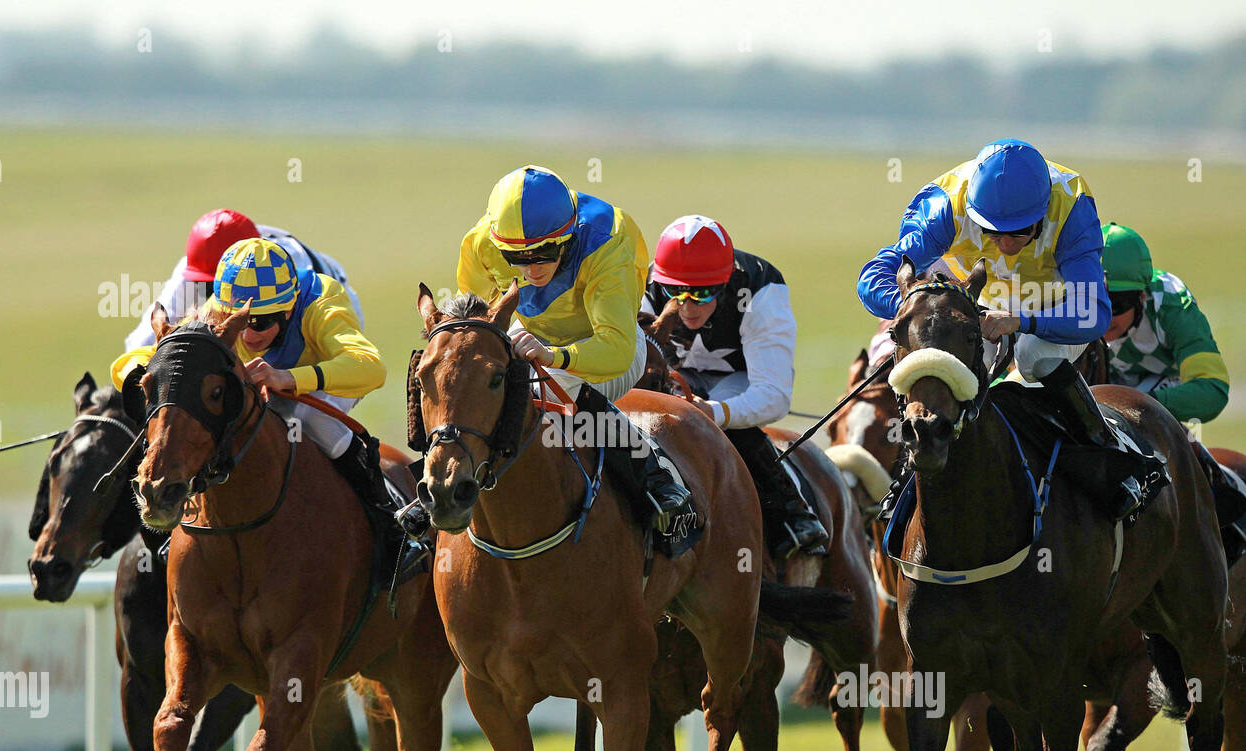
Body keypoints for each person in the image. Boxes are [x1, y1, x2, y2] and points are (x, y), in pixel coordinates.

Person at [858, 137, 1155, 522]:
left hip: (1053, 308)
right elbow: (872, 276)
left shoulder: (1072, 205)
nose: (1003, 242)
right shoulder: (943, 205)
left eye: (1017, 233)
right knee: (944, 357)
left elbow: (1092, 315)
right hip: (976, 307)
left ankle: (1112, 459)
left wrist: (1022, 322)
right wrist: (918, 313)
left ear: (1043, 213)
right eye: (991, 231)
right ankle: (909, 477)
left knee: (1034, 356)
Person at [111, 237, 419, 569]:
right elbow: (129, 361)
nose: (247, 335)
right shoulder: (220, 310)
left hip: (329, 379)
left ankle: (389, 525)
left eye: (260, 322)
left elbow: (371, 367)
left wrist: (290, 379)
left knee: (308, 419)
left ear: (289, 309)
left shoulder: (321, 300)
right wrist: (147, 373)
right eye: (239, 320)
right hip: (264, 387)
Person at [448, 164, 694, 536]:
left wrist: (554, 357)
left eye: (545, 253)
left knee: (544, 385)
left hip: (612, 350)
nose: (531, 270)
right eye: (517, 258)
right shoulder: (481, 242)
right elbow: (483, 316)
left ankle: (656, 477)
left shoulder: (607, 242)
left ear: (567, 236)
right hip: (533, 334)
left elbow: (616, 347)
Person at [641, 214, 829, 557]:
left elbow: (773, 397)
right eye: (676, 293)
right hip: (668, 374)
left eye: (701, 293)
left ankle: (792, 512)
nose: (687, 306)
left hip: (738, 380)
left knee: (724, 425)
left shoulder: (760, 286)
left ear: (725, 282)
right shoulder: (645, 283)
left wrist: (711, 411)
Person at [1101, 221, 1246, 559]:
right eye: (1098, 302)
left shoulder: (1172, 305)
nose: (1107, 317)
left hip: (1159, 391)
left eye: (1119, 302)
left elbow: (1211, 390)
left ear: (1142, 295)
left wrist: (1140, 405)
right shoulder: (1066, 300)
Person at [124, 208, 362, 349]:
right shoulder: (195, 263)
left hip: (317, 319)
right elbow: (140, 343)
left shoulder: (280, 267)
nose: (213, 294)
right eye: (207, 285)